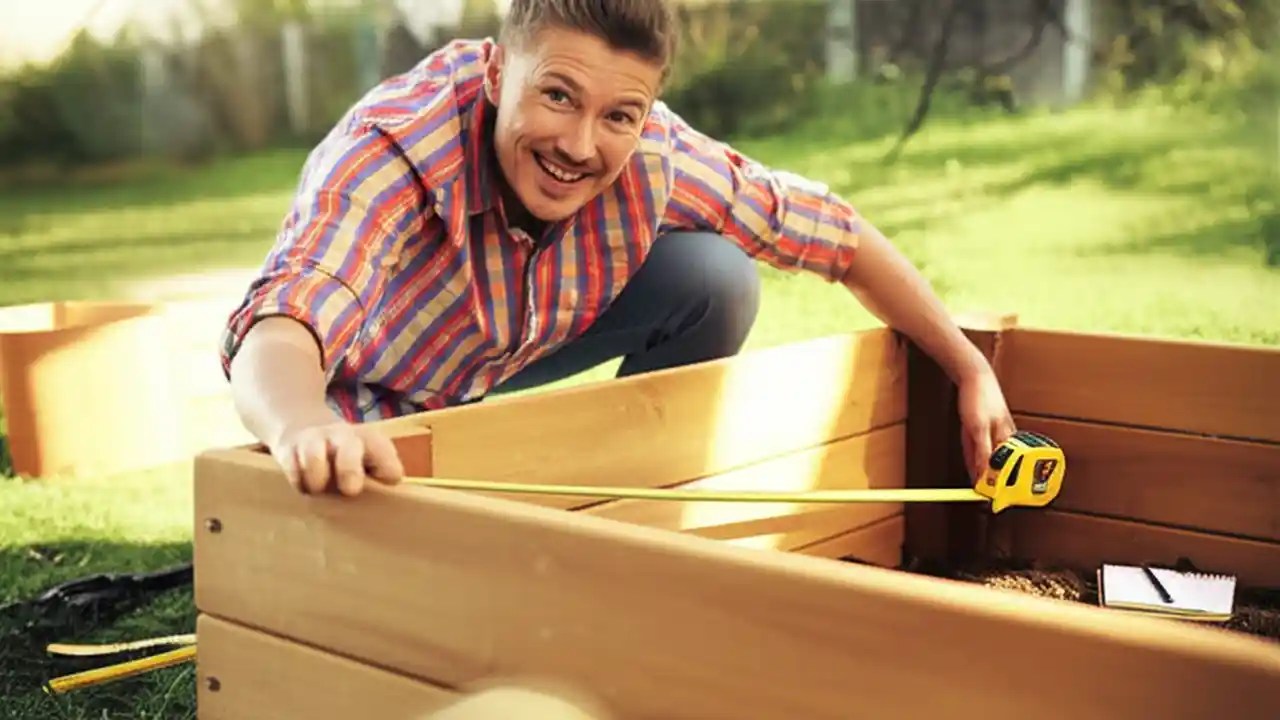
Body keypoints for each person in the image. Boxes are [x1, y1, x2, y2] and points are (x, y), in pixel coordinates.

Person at [222, 0, 1016, 498]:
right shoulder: (396, 145)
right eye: (558, 95)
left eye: (619, 115)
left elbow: (837, 237)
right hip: (376, 388)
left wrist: (969, 366)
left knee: (716, 277)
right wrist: (302, 425)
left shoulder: (656, 154)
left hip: (512, 341)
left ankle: (632, 504)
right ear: (498, 73)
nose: (579, 144)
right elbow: (285, 318)